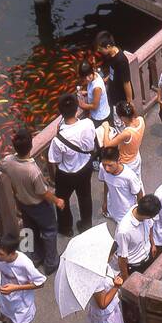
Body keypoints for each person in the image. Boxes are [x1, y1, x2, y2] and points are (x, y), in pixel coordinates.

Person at [0, 127, 63, 274]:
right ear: (31, 146)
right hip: (39, 206)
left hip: (23, 204)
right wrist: (57, 201)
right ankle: (51, 263)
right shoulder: (32, 170)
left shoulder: (8, 162)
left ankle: (34, 257)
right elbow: (43, 193)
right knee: (49, 231)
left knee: (29, 230)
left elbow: (0, 164)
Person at [48, 93, 96, 235]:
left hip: (66, 174)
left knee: (62, 199)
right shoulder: (88, 124)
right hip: (85, 167)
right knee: (85, 196)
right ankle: (86, 225)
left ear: (61, 112)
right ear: (77, 109)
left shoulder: (58, 140)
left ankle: (65, 228)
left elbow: (55, 160)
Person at [114, 195, 161, 278]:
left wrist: (152, 244)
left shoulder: (141, 209)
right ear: (147, 216)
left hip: (148, 257)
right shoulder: (124, 231)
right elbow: (122, 258)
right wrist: (126, 278)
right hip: (134, 267)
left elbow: (150, 226)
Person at [98, 100, 146, 178]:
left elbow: (107, 145)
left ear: (122, 117)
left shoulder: (127, 133)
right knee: (138, 181)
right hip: (136, 157)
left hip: (127, 162)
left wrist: (106, 128)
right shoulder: (141, 120)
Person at [99, 147, 144, 224]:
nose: (106, 169)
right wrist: (105, 202)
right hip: (112, 207)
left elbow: (139, 193)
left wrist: (140, 212)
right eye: (104, 164)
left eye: (110, 165)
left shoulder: (129, 176)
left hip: (125, 213)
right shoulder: (102, 168)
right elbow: (106, 183)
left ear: (119, 160)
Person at [97, 31, 133, 109]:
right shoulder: (111, 55)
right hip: (114, 92)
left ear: (108, 46)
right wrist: (107, 79)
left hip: (120, 97)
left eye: (100, 49)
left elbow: (126, 82)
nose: (99, 51)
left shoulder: (121, 61)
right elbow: (113, 71)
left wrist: (129, 103)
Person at [78, 57, 111, 126]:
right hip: (102, 112)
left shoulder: (96, 88)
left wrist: (82, 105)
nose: (87, 79)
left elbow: (95, 106)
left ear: (92, 71)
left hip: (100, 117)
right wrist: (87, 92)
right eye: (84, 77)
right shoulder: (95, 74)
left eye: (88, 75)